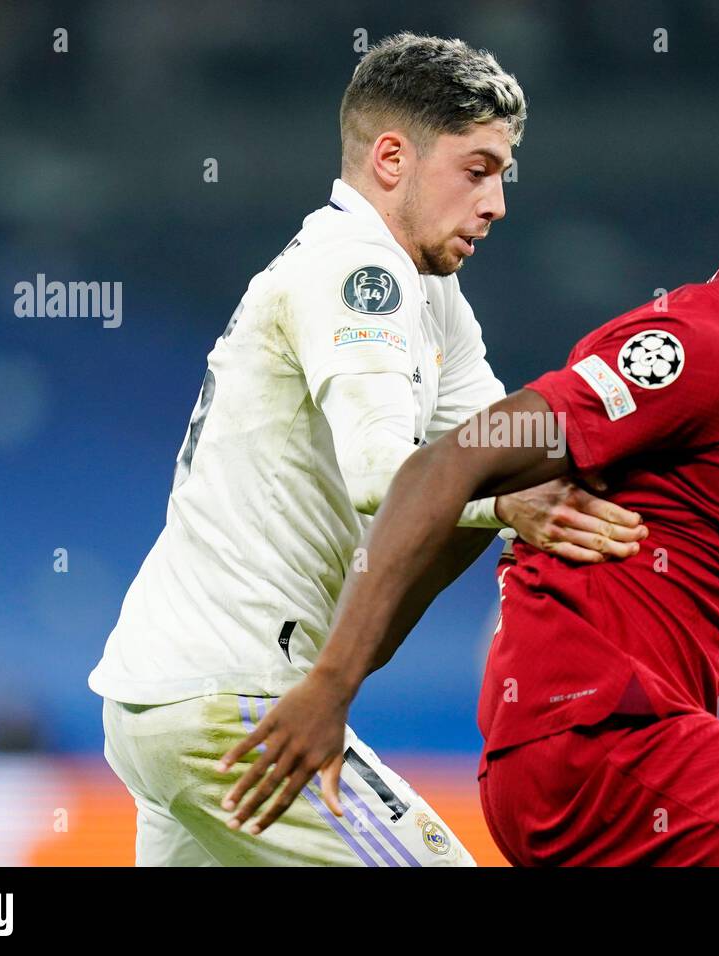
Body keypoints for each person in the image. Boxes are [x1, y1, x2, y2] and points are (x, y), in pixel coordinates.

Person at [216, 127, 719, 866]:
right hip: (600, 747)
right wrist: (332, 684)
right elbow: (443, 469)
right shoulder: (695, 348)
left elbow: (519, 503)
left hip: (579, 755)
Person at [87, 32, 651, 867]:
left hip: (166, 699)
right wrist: (503, 508)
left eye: (503, 174)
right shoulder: (360, 273)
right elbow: (382, 476)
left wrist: (715, 446)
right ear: (392, 157)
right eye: (477, 168)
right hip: (233, 696)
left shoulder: (430, 294)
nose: (497, 202)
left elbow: (514, 439)